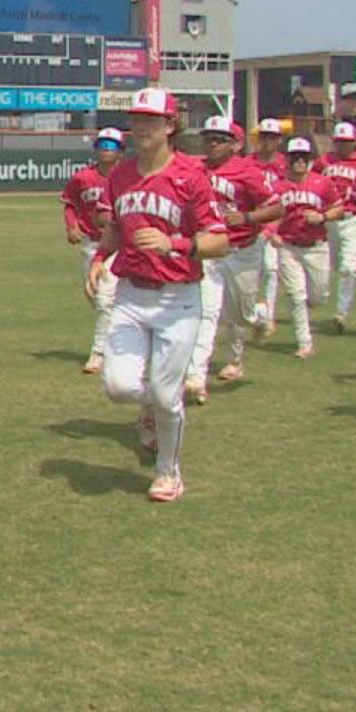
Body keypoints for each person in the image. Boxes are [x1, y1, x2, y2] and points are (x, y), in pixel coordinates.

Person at [85, 87, 228, 503]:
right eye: (137, 119)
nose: (142, 126)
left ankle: (168, 473)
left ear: (170, 126)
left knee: (167, 397)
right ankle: (157, 402)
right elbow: (115, 228)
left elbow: (219, 241)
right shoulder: (121, 176)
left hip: (177, 298)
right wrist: (100, 258)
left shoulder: (191, 176)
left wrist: (175, 244)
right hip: (131, 293)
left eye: (151, 120)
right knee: (117, 386)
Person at [185, 117, 282, 397]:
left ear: (235, 145)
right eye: (208, 138)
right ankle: (196, 377)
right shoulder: (195, 169)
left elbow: (277, 209)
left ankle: (260, 317)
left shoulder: (248, 172)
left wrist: (247, 217)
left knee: (242, 314)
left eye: (220, 139)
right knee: (207, 312)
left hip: (243, 251)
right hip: (210, 251)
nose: (212, 144)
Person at [274, 137, 344, 359]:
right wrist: (272, 233)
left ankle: (309, 308)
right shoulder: (278, 186)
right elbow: (268, 214)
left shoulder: (322, 183)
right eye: (295, 158)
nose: (299, 162)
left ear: (309, 159)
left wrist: (322, 216)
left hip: (316, 247)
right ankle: (304, 342)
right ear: (287, 159)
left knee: (317, 297)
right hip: (288, 246)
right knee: (296, 295)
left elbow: (339, 209)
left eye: (303, 158)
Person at [62, 127, 122, 374]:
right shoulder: (83, 177)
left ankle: (98, 354)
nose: (105, 150)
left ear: (120, 151)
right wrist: (71, 226)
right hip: (91, 244)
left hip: (119, 245)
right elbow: (69, 203)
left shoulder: (128, 176)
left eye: (111, 145)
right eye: (102, 145)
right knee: (96, 298)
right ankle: (121, 339)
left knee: (105, 300)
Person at [316, 121, 356, 333]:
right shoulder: (323, 162)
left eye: (347, 141)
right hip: (329, 220)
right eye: (339, 141)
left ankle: (341, 312)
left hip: (352, 219)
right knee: (332, 265)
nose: (343, 145)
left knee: (349, 267)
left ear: (354, 142)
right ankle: (320, 295)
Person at [250, 118, 288, 335]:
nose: (267, 141)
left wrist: (273, 230)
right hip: (253, 223)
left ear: (279, 140)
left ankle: (268, 315)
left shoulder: (284, 164)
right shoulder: (248, 163)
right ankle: (255, 313)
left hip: (278, 223)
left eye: (272, 137)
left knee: (271, 269)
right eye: (264, 136)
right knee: (253, 272)